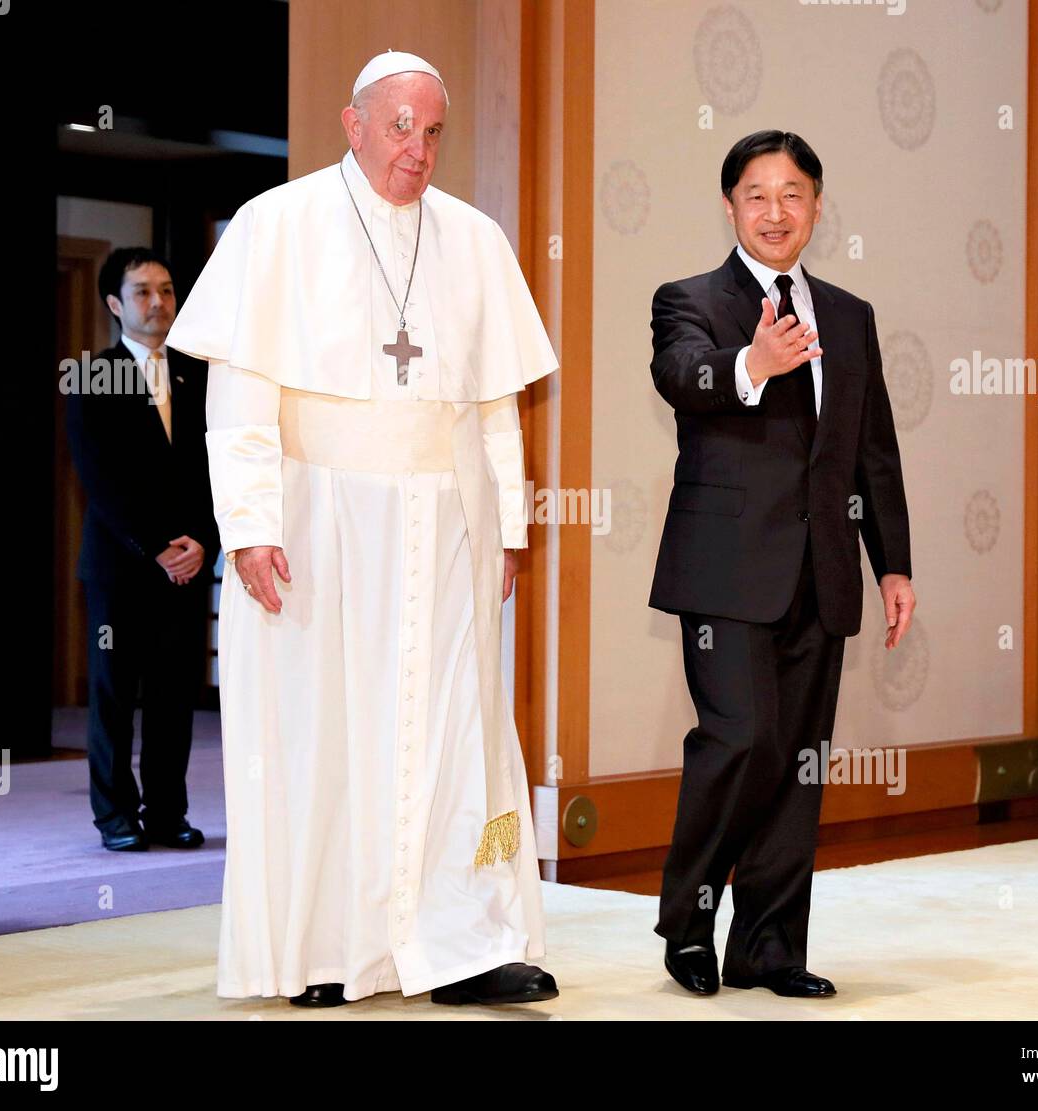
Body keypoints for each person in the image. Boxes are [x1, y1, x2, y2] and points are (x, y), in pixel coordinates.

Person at [163, 50, 560, 1007]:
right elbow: (242, 396)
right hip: (320, 519)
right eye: (399, 127)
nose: (417, 150)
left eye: (432, 133)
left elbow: (496, 404)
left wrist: (509, 526)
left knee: (456, 734)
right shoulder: (276, 225)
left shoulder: (474, 239)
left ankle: (467, 943)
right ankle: (326, 951)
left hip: (447, 522)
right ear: (353, 123)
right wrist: (250, 525)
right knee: (324, 732)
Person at [648, 130, 916, 998]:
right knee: (741, 741)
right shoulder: (689, 299)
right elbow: (682, 375)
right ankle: (688, 923)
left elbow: (872, 451)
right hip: (725, 572)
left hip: (823, 570)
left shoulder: (849, 314)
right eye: (757, 194)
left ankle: (768, 946)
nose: (775, 211)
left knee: (798, 759)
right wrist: (752, 365)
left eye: (793, 193)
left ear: (817, 206)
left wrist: (893, 564)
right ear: (730, 205)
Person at [66, 247, 219, 852]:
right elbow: (98, 479)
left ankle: (167, 812)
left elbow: (215, 468)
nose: (158, 303)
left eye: (167, 290)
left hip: (186, 566)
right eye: (143, 292)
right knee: (112, 696)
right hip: (120, 567)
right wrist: (156, 546)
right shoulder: (91, 374)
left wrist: (202, 542)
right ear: (114, 304)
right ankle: (115, 818)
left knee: (172, 697)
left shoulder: (199, 374)